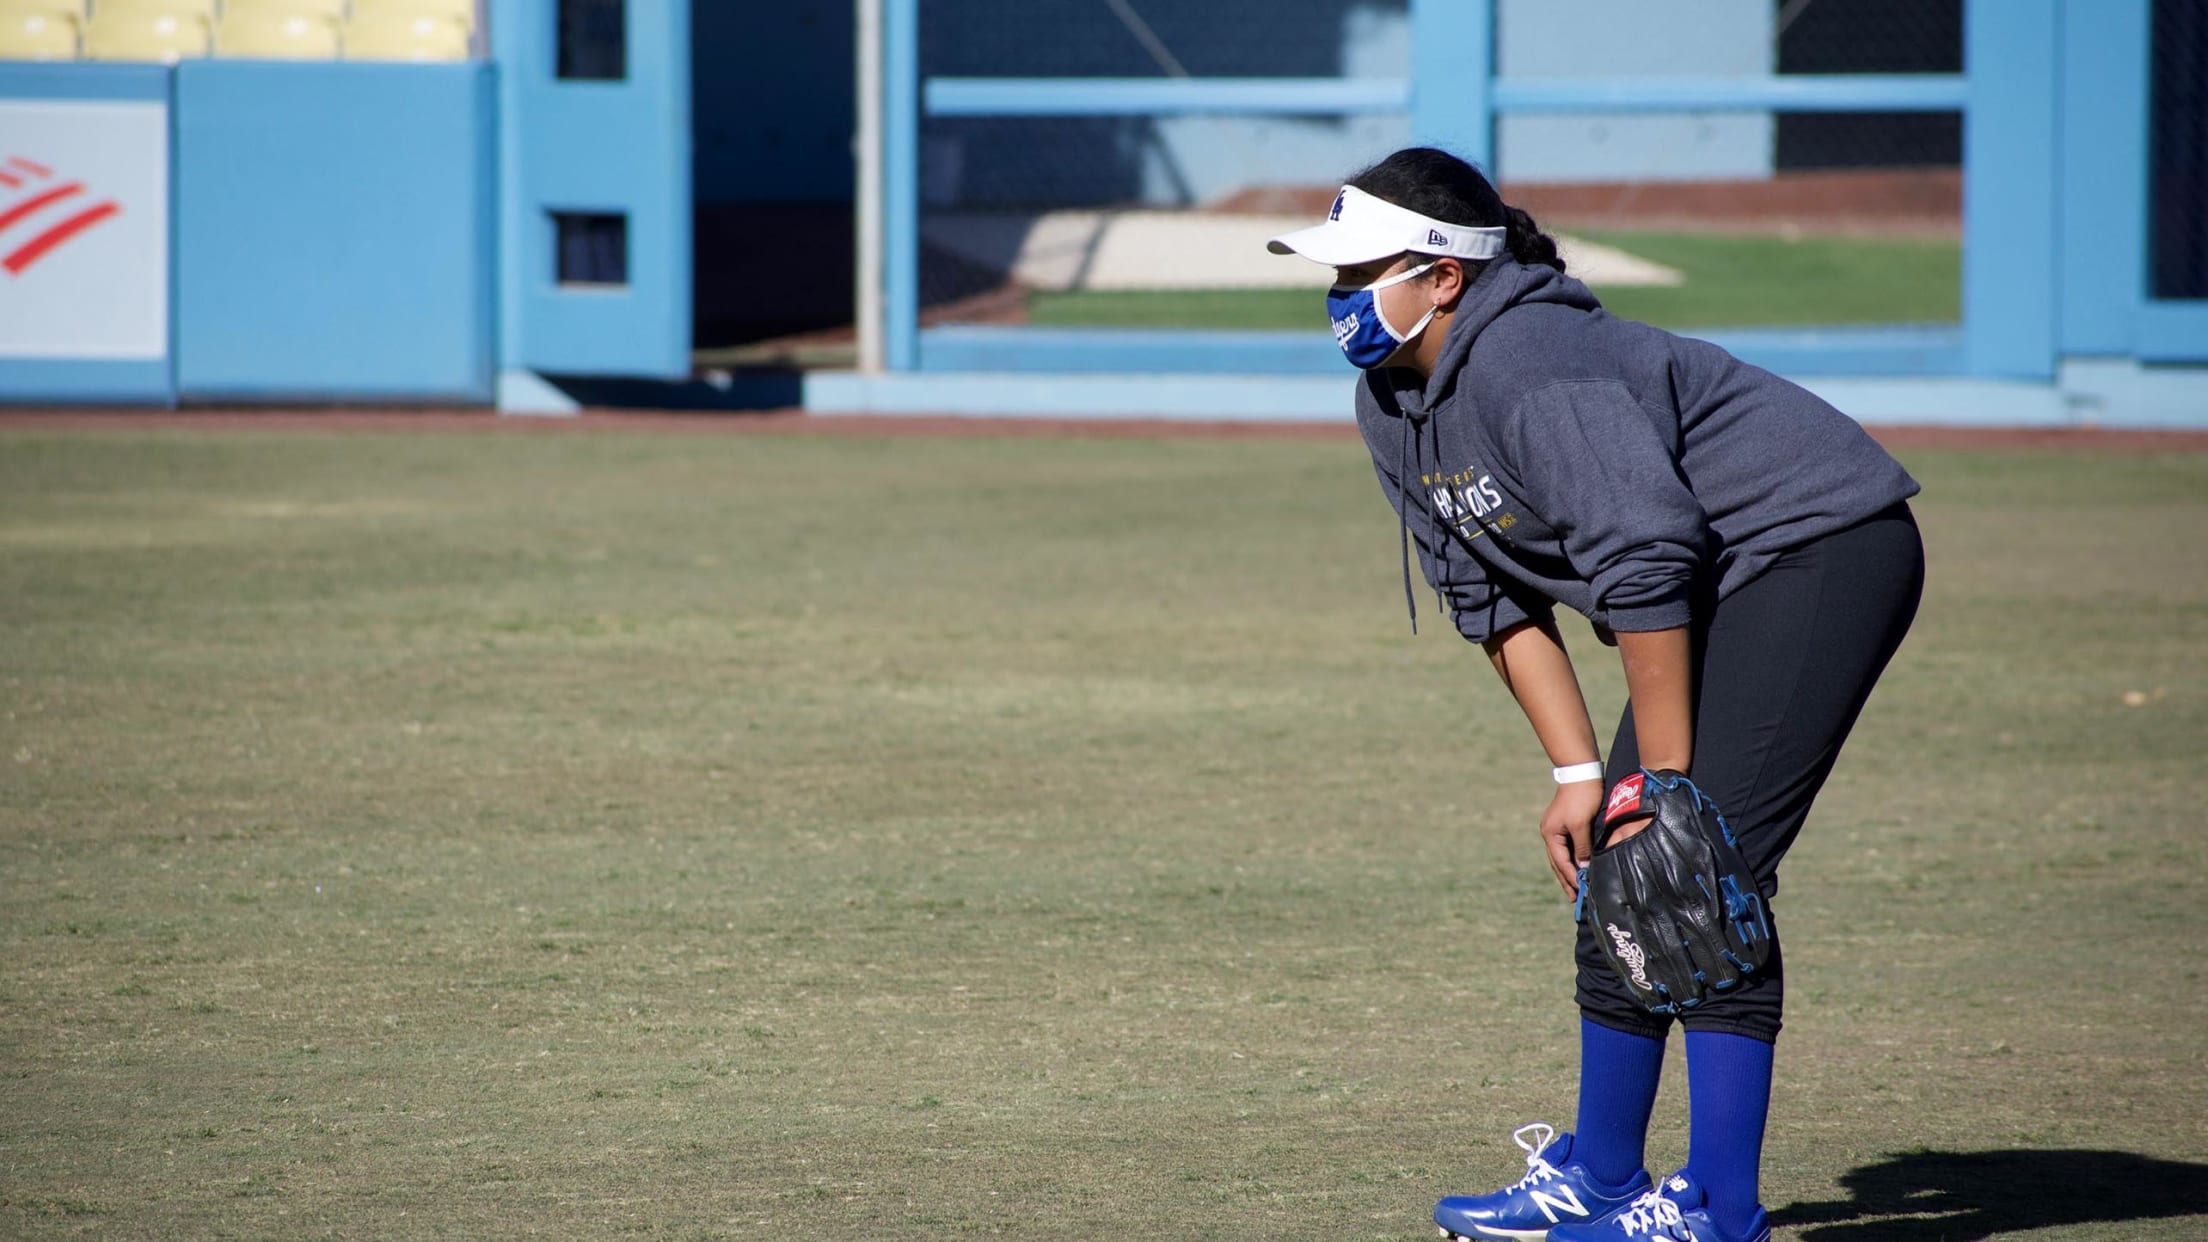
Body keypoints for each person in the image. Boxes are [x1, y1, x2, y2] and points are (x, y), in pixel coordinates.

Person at [1264, 147, 1925, 1242]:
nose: (1340, 299)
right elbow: (1490, 601)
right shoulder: (1389, 402)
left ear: (1446, 277)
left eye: (1361, 271)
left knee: (1692, 869)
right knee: (1618, 872)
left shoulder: (1532, 361)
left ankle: (1717, 1208)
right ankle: (1605, 1181)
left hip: (1818, 549)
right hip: (1708, 581)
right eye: (1332, 276)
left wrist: (1661, 787)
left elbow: (1648, 562)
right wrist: (1581, 773)